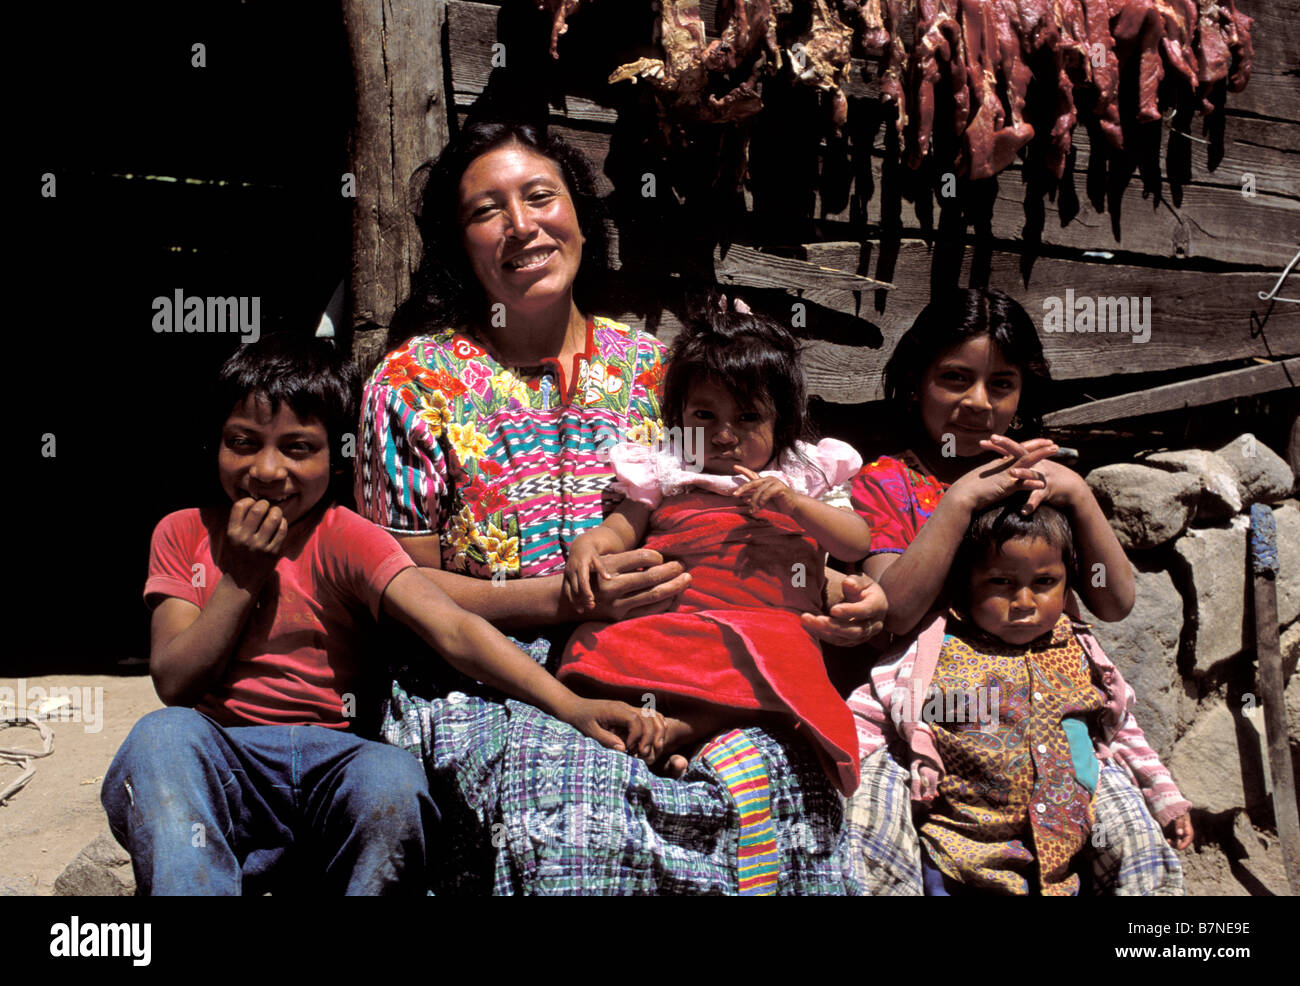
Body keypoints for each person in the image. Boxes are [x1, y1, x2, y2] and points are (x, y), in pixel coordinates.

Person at [357, 120, 887, 894]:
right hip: (487, 676)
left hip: (692, 654)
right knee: (584, 803)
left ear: (580, 216)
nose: (522, 225)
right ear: (457, 244)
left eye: (541, 197)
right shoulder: (411, 384)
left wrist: (838, 592)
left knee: (783, 779)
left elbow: (757, 518)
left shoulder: (659, 373)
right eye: (485, 211)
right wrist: (559, 599)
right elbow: (395, 587)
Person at [102, 334, 662, 895]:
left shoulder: (347, 537)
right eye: (243, 442)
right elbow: (174, 680)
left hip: (332, 762)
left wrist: (572, 706)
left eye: (298, 448)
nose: (267, 470)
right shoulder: (183, 532)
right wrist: (241, 577)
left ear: (338, 459)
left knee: (390, 778)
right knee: (161, 737)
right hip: (222, 760)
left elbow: (455, 628)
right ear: (216, 443)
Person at [843, 287, 1189, 896]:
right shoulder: (887, 484)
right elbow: (894, 614)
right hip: (930, 727)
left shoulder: (1046, 490)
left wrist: (1077, 495)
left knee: (1137, 851)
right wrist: (962, 499)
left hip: (1055, 723)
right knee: (870, 848)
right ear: (916, 381)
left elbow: (1114, 602)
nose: (978, 403)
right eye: (955, 378)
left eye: (1000, 384)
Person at [560, 298, 870, 789]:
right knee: (611, 651)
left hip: (768, 623)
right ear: (679, 416)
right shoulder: (665, 471)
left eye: (747, 418)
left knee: (775, 658)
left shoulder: (801, 475)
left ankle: (682, 733)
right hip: (681, 619)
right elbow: (624, 525)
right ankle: (667, 731)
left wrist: (794, 506)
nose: (724, 435)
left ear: (781, 422)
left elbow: (855, 544)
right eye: (705, 415)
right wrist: (591, 545)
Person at [851, 500, 1193, 895]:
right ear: (966, 583)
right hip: (960, 846)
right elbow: (872, 711)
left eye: (1045, 582)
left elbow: (1119, 730)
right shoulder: (935, 650)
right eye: (1001, 583)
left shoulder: (1080, 651)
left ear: (1066, 584)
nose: (1025, 602)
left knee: (1141, 849)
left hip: (1063, 844)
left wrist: (1164, 798)